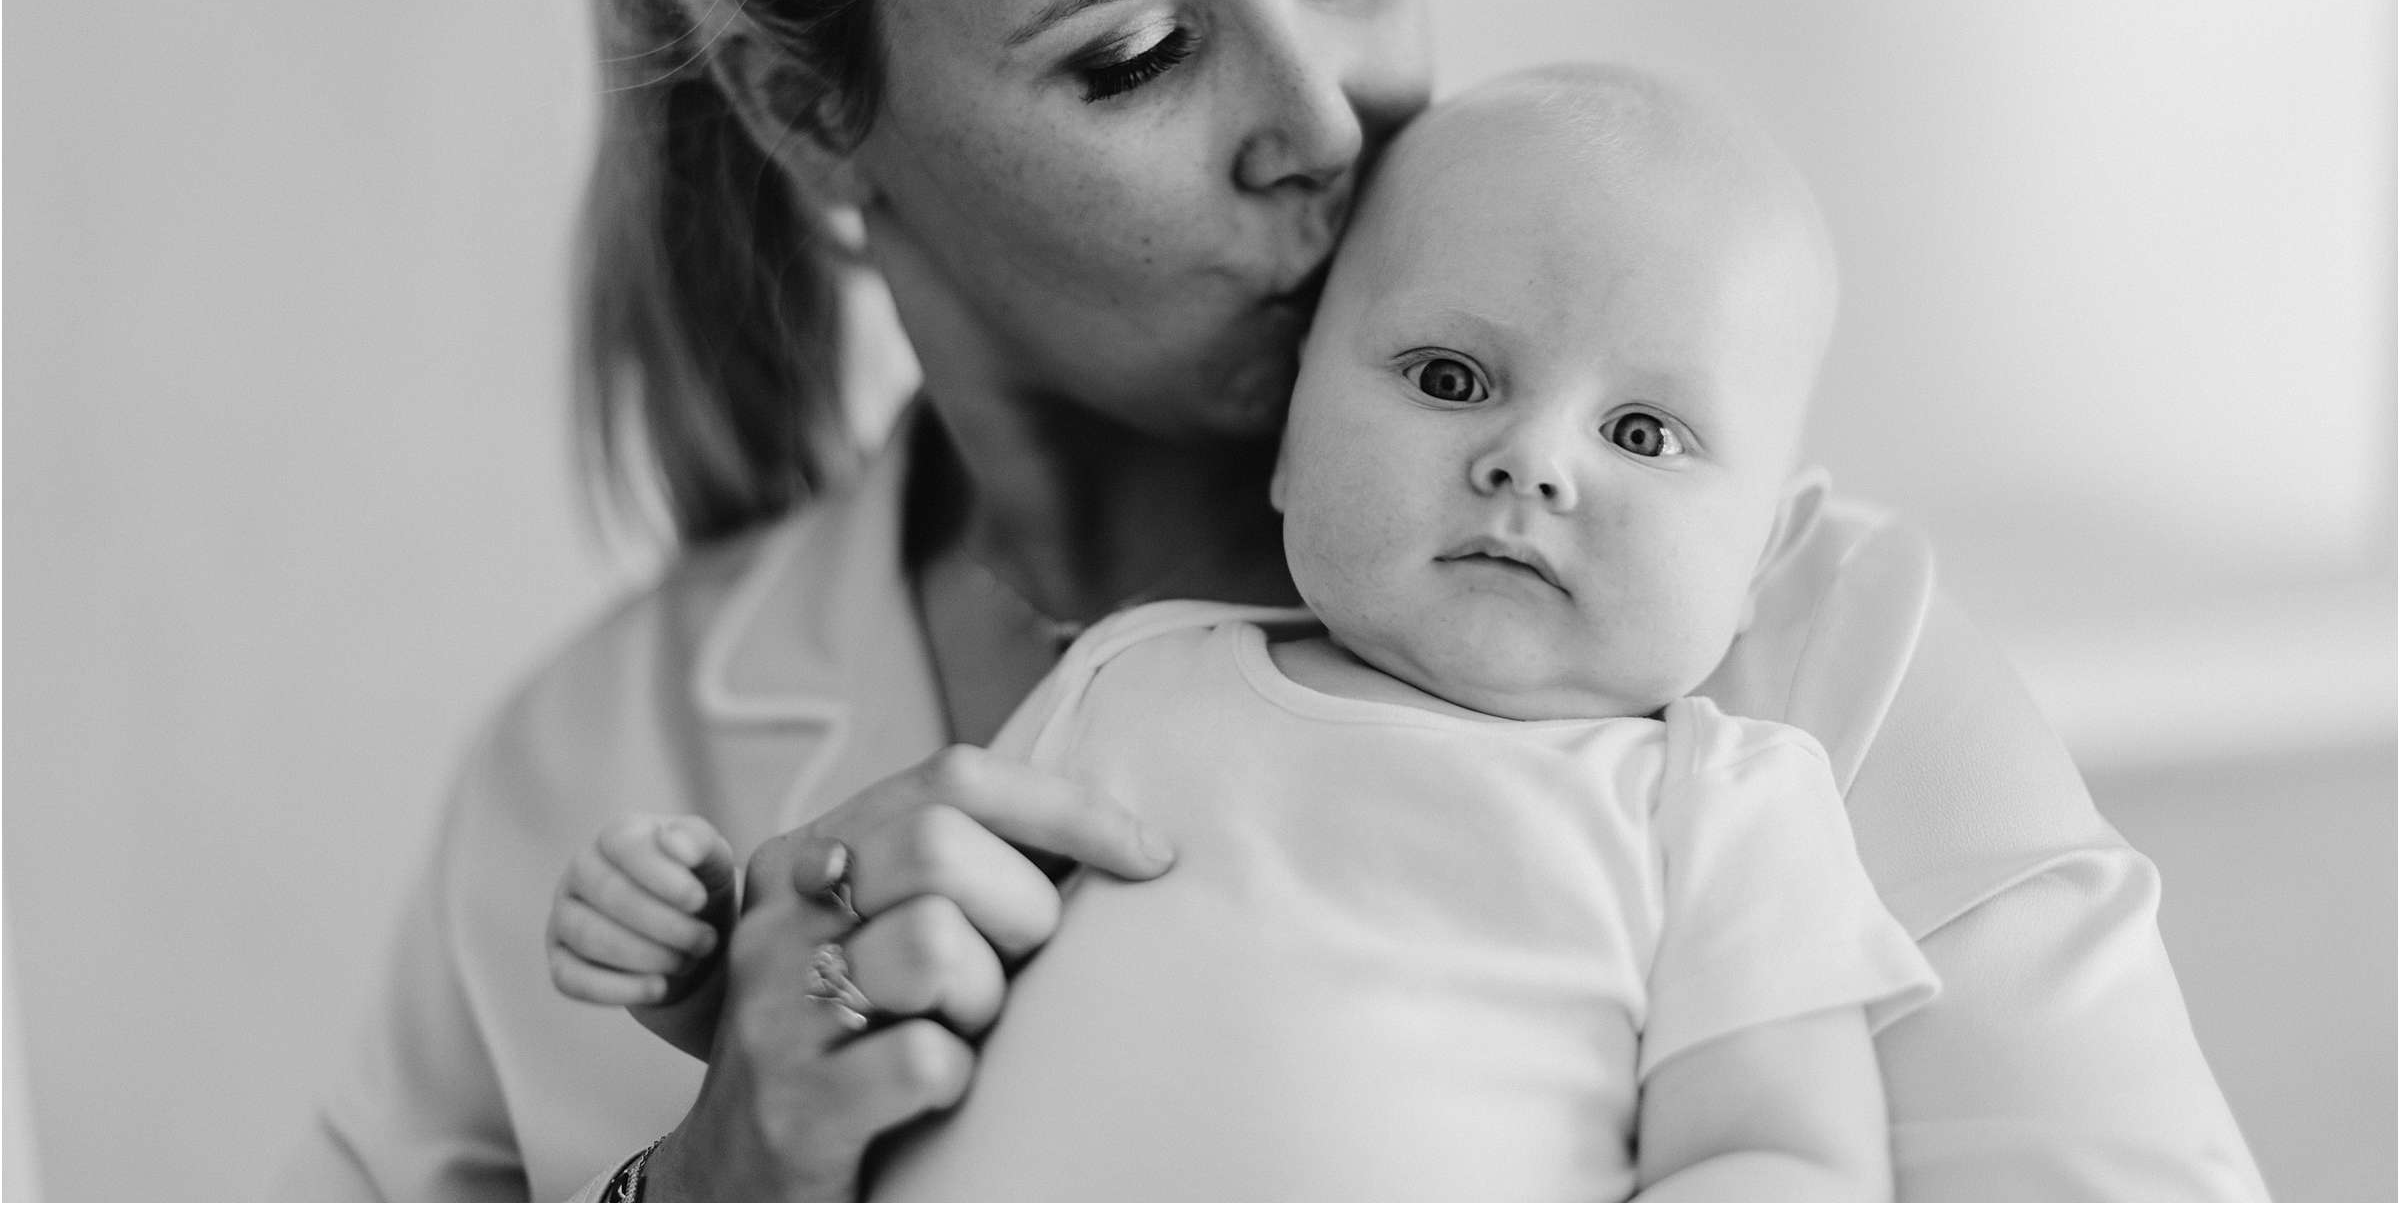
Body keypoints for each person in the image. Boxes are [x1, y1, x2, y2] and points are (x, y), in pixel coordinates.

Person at [278, 0, 2264, 1200]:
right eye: (1140, 54)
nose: (1324, 123)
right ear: (818, 113)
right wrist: (704, 1188)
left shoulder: (1808, 660)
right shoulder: (588, 776)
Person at [550, 63, 1946, 1200]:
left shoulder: (1715, 806)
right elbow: (903, 978)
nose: (1534, 461)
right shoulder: (1134, 670)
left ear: (1762, 549)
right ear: (1288, 438)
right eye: (1450, 375)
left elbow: (1783, 1151)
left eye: (1642, 430)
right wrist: (712, 984)